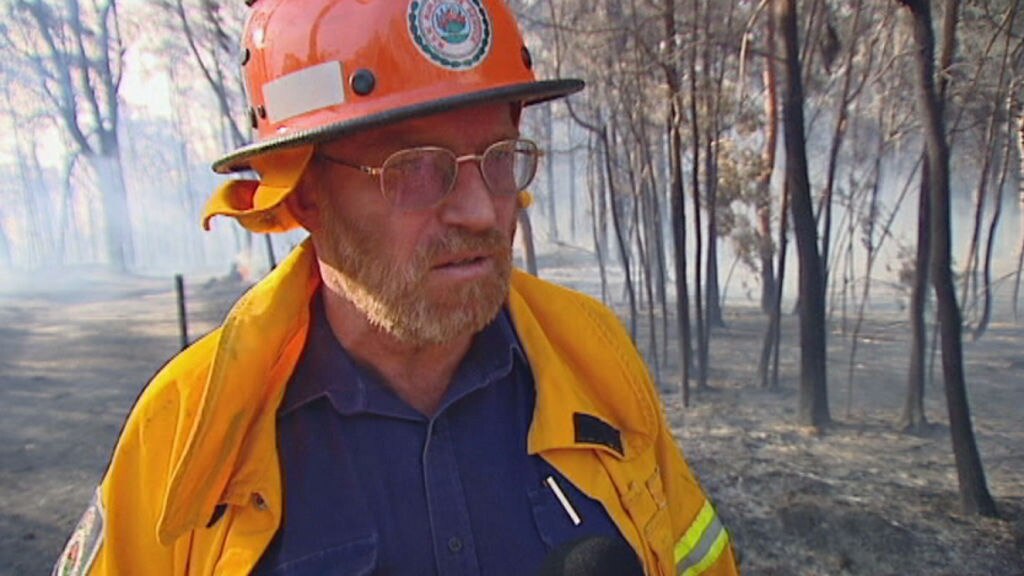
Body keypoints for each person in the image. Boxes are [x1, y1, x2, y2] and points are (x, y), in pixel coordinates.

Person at [53, 1, 739, 575]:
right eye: (414, 167)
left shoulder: (592, 357)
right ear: (306, 195)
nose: (481, 211)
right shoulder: (185, 433)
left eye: (499, 159)